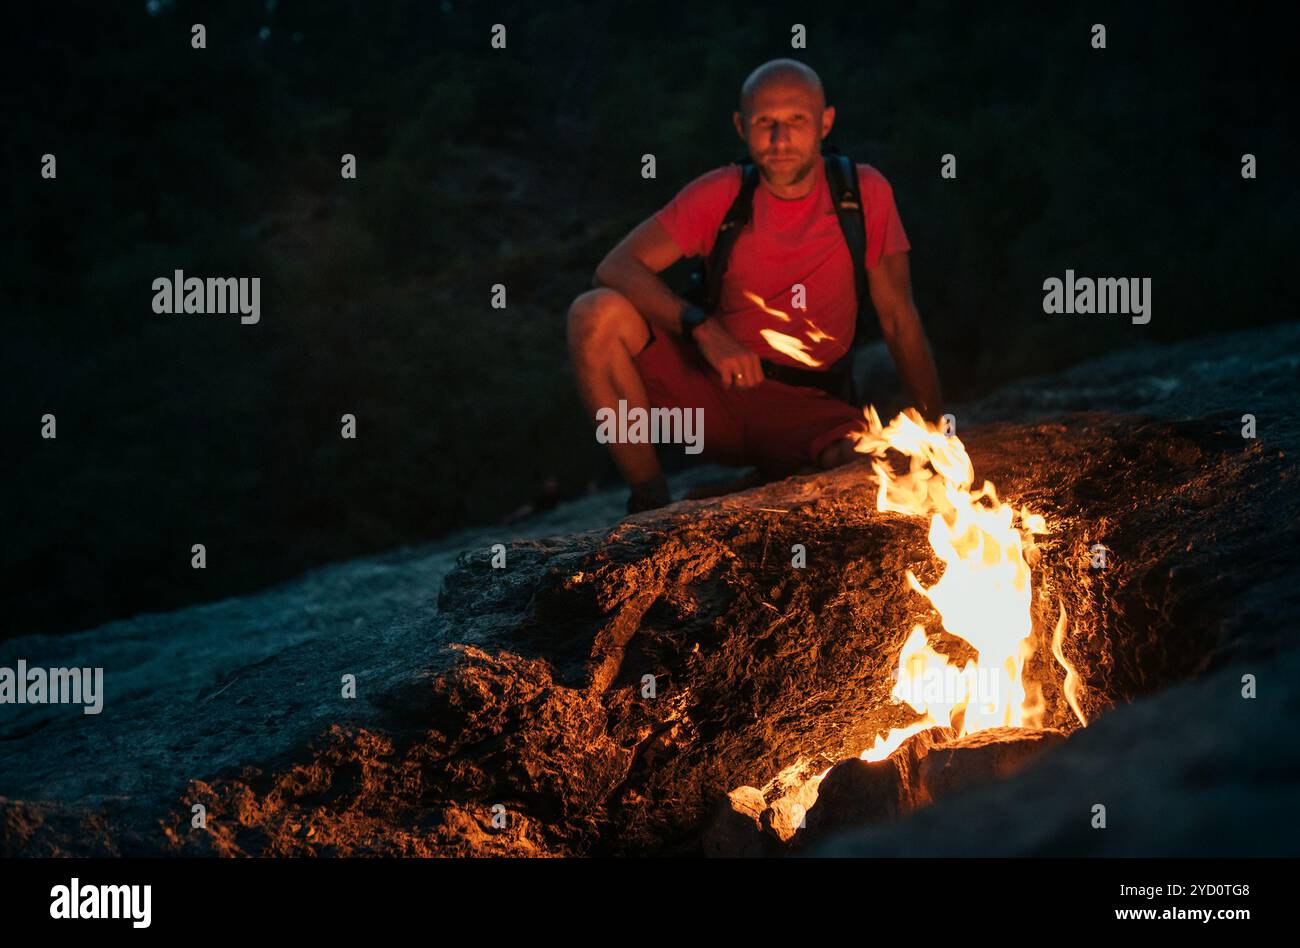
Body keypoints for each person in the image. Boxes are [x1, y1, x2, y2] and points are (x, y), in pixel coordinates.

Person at [567, 58, 943, 514]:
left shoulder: (862, 194)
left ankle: (767, 479)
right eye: (765, 122)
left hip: (809, 412)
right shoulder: (722, 193)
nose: (780, 139)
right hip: (711, 399)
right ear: (741, 126)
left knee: (878, 471)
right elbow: (615, 267)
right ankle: (651, 503)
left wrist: (937, 432)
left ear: (825, 123)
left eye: (796, 121)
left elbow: (899, 320)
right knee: (594, 313)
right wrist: (704, 330)